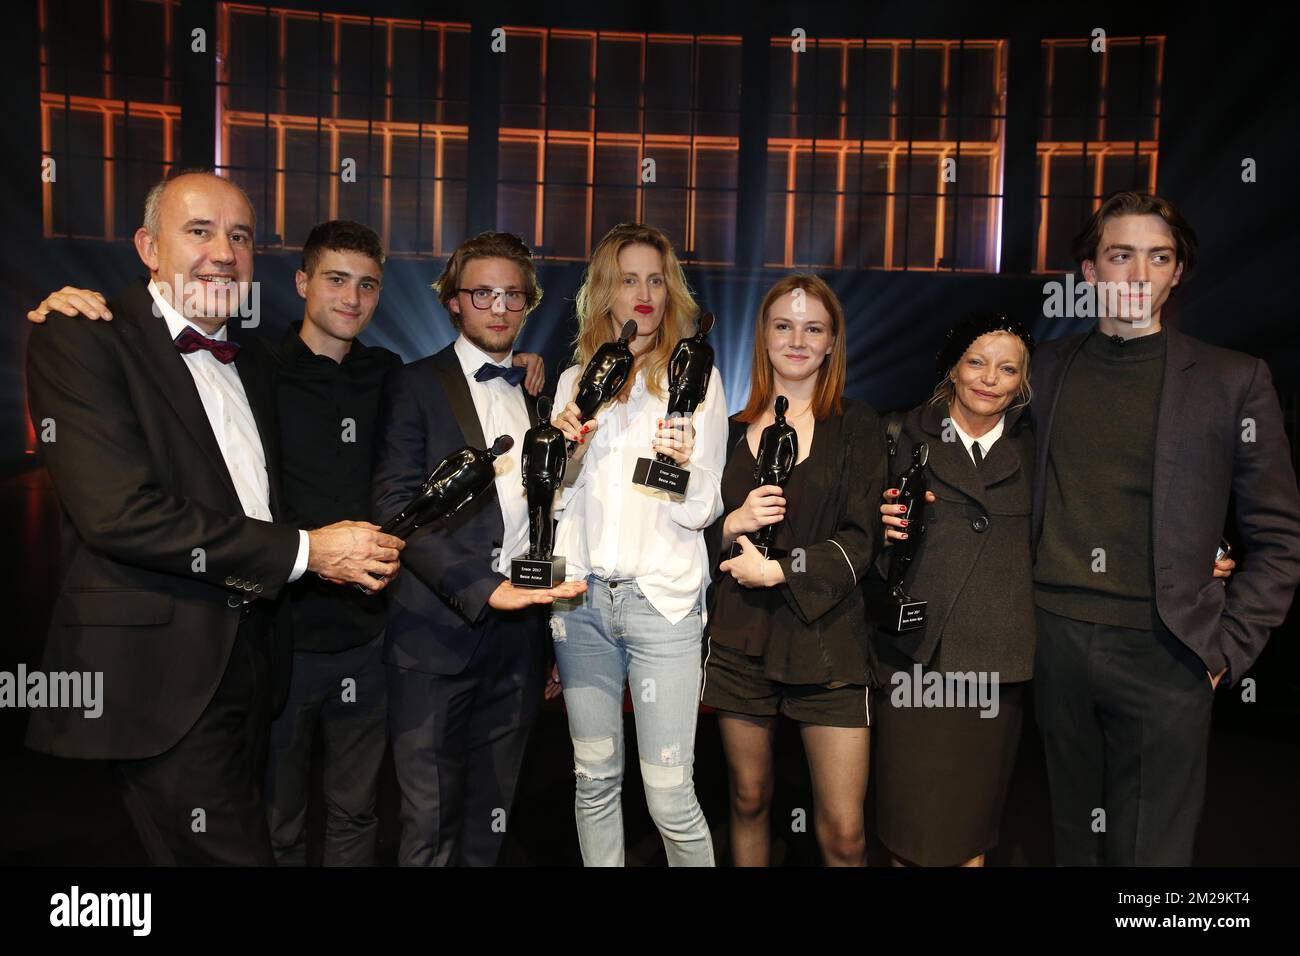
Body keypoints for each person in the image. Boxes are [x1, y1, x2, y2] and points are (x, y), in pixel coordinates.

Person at [23, 170, 404, 865]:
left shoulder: (257, 358)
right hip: (160, 674)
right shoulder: (84, 336)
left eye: (239, 236)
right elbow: (117, 514)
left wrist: (521, 362)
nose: (222, 252)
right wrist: (307, 553)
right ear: (148, 246)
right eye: (198, 231)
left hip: (256, 662)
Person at [1030, 191, 1300, 865]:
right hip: (1053, 639)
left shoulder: (1233, 380)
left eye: (1160, 257)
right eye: (1121, 256)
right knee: (1074, 843)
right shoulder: (1038, 371)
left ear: (1177, 272)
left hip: (1168, 649)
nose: (1139, 275)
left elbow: (1278, 535)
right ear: (1090, 271)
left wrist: (1226, 648)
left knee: (1150, 858)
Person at [372, 231, 584, 866]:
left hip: (517, 645)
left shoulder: (535, 394)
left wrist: (545, 632)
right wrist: (483, 588)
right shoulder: (413, 385)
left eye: (512, 295)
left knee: (490, 823)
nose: (498, 307)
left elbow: (545, 513)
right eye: (483, 293)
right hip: (434, 636)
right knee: (428, 825)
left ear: (528, 305)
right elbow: (393, 509)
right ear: (453, 302)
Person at [549, 222, 727, 866]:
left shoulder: (695, 381)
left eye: (656, 279)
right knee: (593, 782)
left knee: (670, 795)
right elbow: (554, 501)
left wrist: (679, 470)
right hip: (583, 608)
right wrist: (565, 454)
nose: (645, 293)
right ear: (605, 294)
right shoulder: (576, 382)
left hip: (664, 608)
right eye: (629, 280)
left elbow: (707, 506)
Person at [704, 274, 885, 866]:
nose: (798, 340)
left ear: (832, 342)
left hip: (827, 641)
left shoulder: (858, 426)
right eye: (784, 326)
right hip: (740, 639)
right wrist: (730, 526)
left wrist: (782, 572)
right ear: (763, 336)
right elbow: (687, 535)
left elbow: (864, 538)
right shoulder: (725, 432)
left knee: (843, 831)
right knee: (748, 799)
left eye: (814, 328)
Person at [872, 314, 1037, 868]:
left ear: (1022, 380)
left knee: (970, 834)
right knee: (905, 830)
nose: (990, 378)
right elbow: (848, 529)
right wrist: (880, 529)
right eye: (976, 362)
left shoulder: (1039, 448)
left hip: (995, 663)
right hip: (913, 659)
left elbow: (1098, 519)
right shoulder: (898, 433)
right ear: (953, 368)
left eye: (1007, 367)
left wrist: (1204, 556)